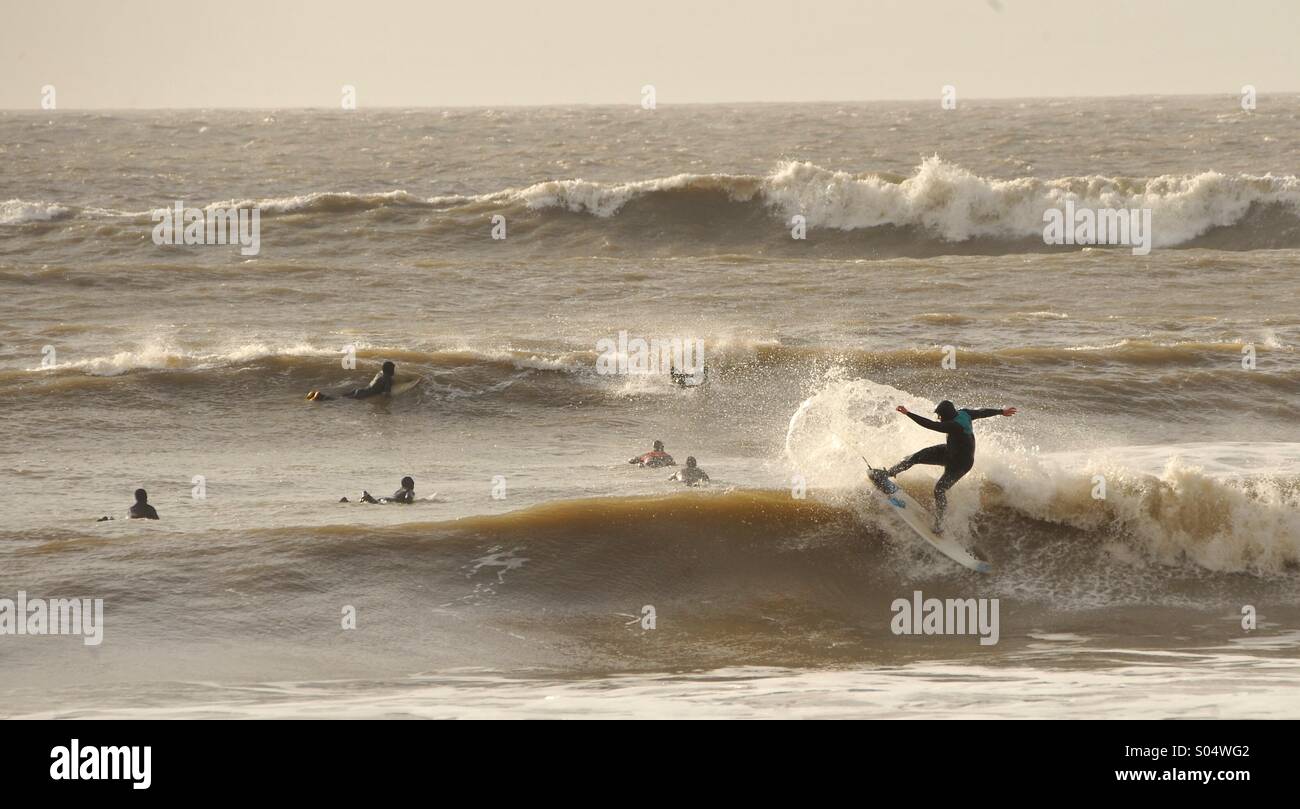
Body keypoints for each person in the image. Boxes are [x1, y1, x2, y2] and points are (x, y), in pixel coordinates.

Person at [875, 400, 1016, 532]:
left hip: (960, 464)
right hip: (948, 452)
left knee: (939, 490)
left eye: (940, 416)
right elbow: (982, 412)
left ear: (946, 416)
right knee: (914, 458)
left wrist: (908, 413)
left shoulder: (955, 425)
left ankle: (939, 524)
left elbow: (930, 424)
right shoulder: (964, 413)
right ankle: (886, 474)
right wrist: (1000, 411)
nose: (939, 418)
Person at [307, 361, 396, 401]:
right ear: (389, 370)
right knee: (337, 401)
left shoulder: (379, 373)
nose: (394, 371)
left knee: (339, 398)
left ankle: (313, 394)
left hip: (359, 390)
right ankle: (319, 395)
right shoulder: (387, 378)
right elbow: (386, 394)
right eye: (393, 369)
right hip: (363, 394)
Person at [352, 476, 416, 504]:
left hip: (385, 499)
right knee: (373, 502)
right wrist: (408, 504)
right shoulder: (409, 490)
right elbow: (408, 498)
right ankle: (368, 497)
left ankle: (367, 497)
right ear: (411, 484)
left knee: (374, 502)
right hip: (389, 502)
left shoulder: (399, 490)